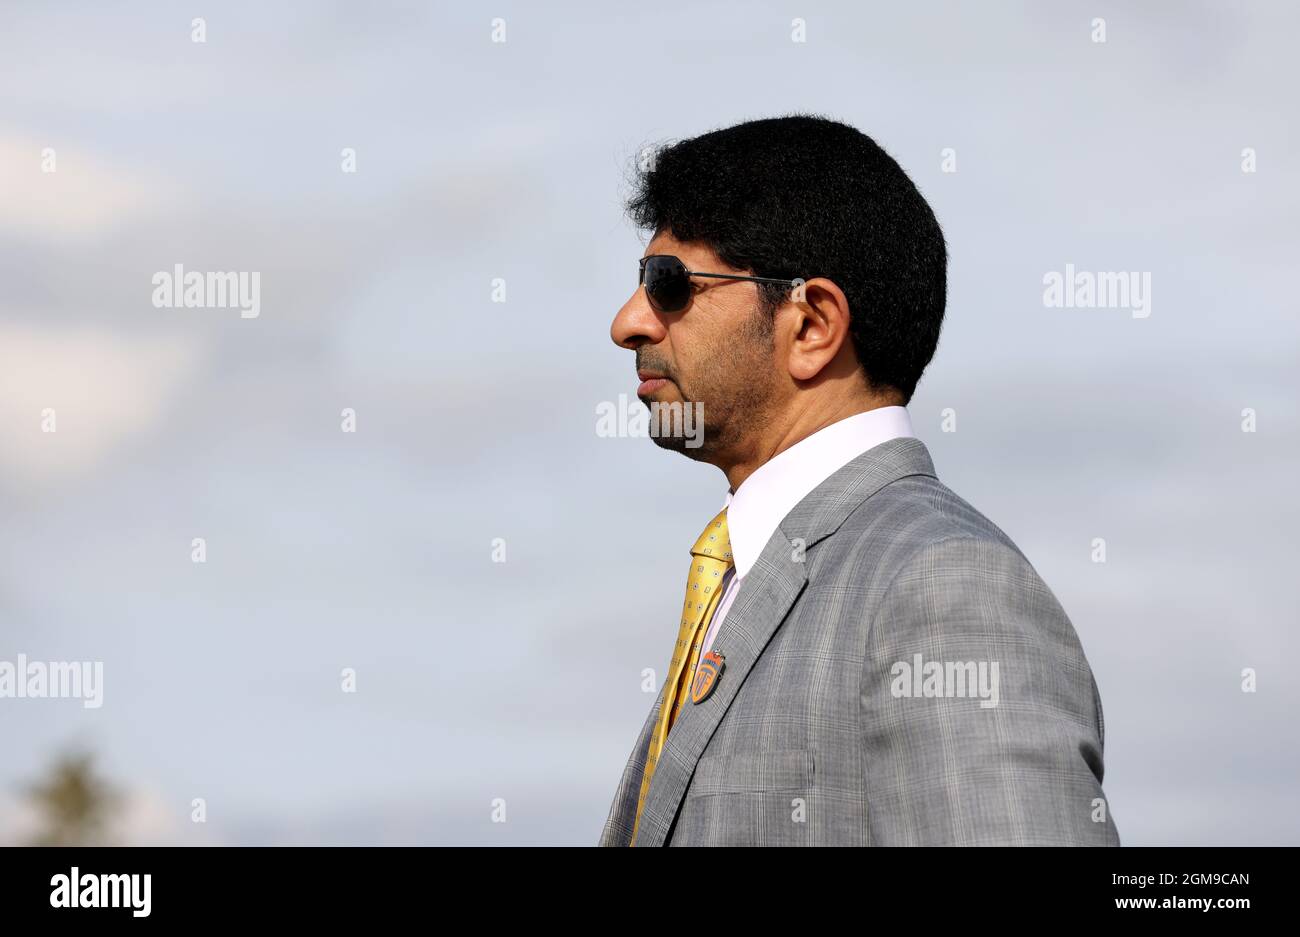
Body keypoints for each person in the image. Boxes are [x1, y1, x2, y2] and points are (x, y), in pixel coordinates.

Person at [599, 114, 1119, 846]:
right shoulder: (748, 577)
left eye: (670, 284)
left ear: (812, 325)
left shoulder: (941, 586)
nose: (628, 323)